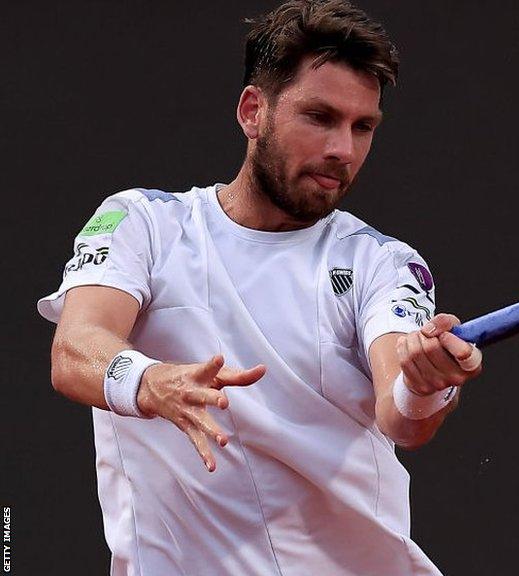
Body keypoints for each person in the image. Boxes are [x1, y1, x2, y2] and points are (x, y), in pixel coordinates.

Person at [37, 1, 481, 574]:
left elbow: (401, 415)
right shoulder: (142, 224)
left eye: (362, 126)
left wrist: (426, 386)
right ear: (254, 111)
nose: (343, 150)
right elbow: (75, 349)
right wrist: (150, 380)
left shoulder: (381, 262)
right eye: (320, 117)